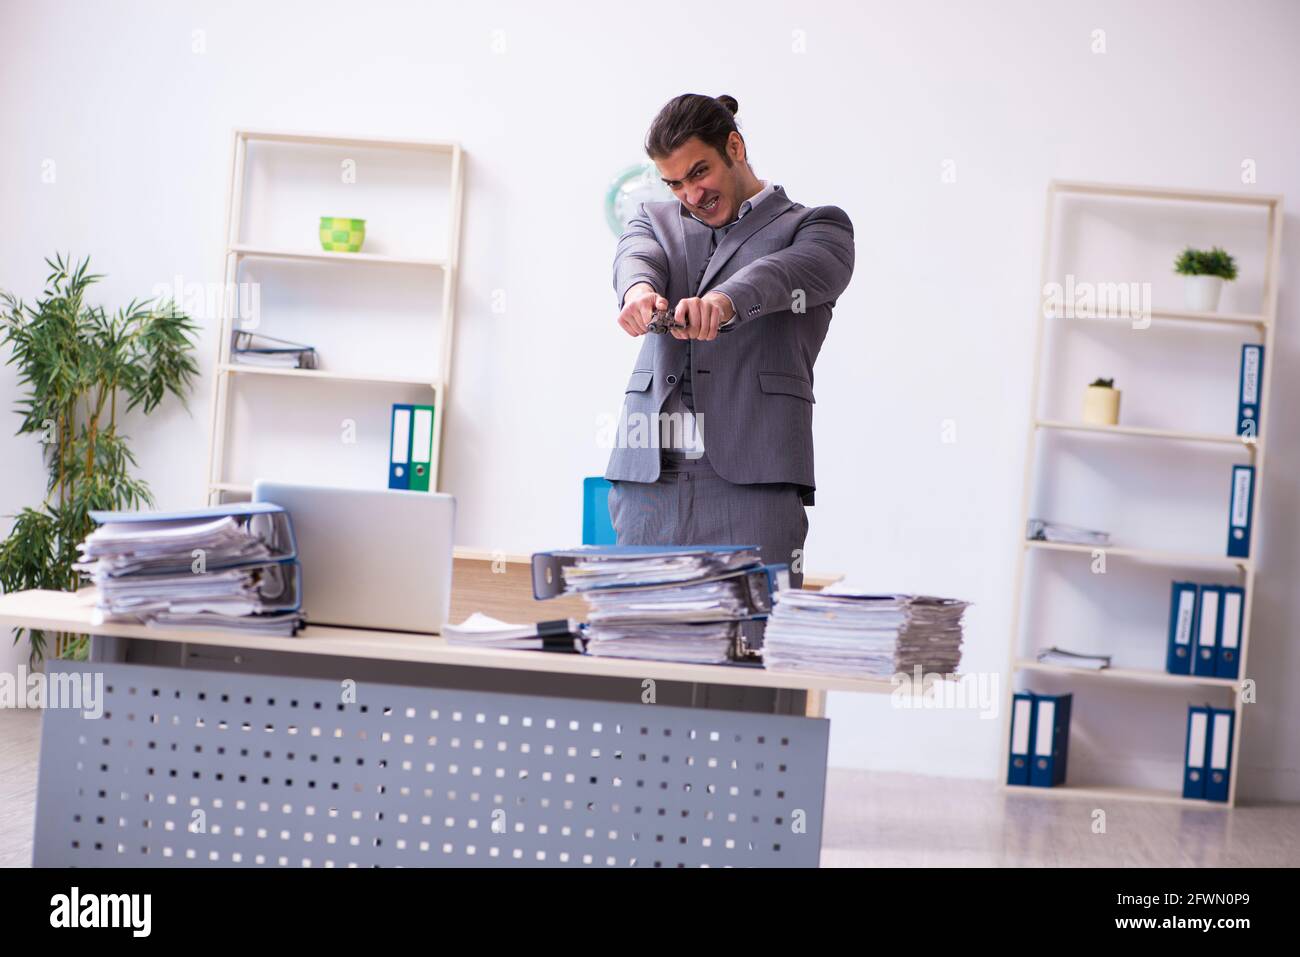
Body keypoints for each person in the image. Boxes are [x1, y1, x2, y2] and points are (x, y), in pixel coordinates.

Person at [605, 92, 855, 589]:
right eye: (675, 183)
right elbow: (636, 257)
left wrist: (722, 303)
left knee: (752, 645)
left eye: (700, 173)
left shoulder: (816, 228)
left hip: (753, 482)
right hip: (649, 479)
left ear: (735, 147)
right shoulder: (653, 219)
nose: (691, 194)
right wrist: (637, 293)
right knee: (638, 641)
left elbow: (781, 274)